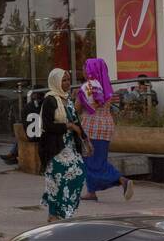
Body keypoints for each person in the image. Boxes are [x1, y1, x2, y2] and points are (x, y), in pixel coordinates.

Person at [77, 58, 134, 202]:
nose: (83, 71)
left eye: (85, 68)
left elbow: (77, 108)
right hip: (106, 126)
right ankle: (91, 191)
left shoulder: (87, 87)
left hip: (91, 127)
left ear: (90, 70)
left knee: (90, 161)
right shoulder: (106, 86)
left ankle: (121, 180)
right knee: (99, 158)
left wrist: (75, 99)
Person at [39, 68, 88, 222]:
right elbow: (47, 126)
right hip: (54, 147)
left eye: (68, 80)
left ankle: (65, 210)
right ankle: (54, 214)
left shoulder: (68, 99)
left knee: (79, 174)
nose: (67, 83)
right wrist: (67, 126)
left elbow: (76, 121)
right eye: (64, 80)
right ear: (55, 82)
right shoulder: (50, 100)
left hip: (70, 146)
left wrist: (86, 140)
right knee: (56, 181)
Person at [1, 89, 42, 165]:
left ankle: (12, 154)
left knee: (25, 135)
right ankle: (13, 154)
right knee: (22, 136)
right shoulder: (31, 105)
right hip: (34, 129)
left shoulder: (42, 104)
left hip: (41, 130)